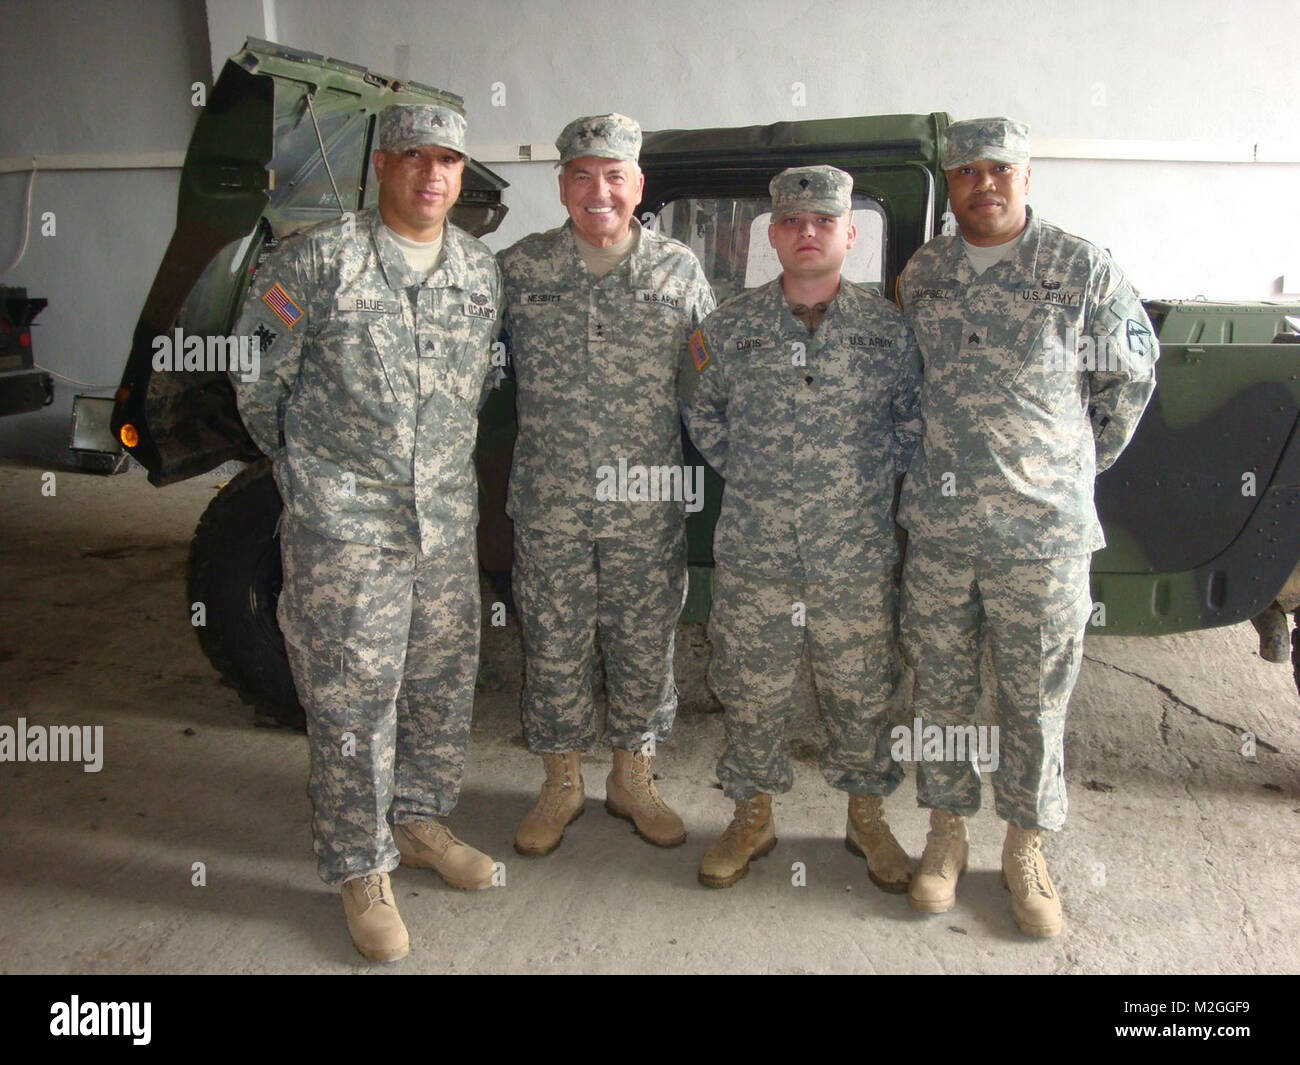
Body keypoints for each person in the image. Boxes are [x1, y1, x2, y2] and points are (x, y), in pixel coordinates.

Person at [231, 103, 502, 962]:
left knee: (438, 683)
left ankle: (420, 820)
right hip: (344, 533)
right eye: (413, 157)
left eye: (448, 160)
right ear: (380, 165)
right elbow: (256, 381)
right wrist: (309, 474)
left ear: (462, 174)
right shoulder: (313, 262)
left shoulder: (477, 271)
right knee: (353, 701)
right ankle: (359, 862)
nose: (432, 175)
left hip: (445, 527)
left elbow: (471, 394)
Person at [896, 117, 1158, 936]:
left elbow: (1128, 380)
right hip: (940, 532)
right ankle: (944, 837)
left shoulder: (1079, 267)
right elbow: (910, 388)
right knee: (939, 692)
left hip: (1042, 539)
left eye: (999, 169)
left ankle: (1025, 848)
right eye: (967, 171)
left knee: (1035, 700)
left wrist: (1068, 469)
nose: (985, 184)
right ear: (951, 181)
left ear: (1027, 175)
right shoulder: (926, 271)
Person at [682, 165, 923, 889]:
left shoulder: (889, 332)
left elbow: (911, 426)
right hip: (756, 552)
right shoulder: (727, 329)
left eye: (823, 221)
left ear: (851, 234)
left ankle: (867, 818)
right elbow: (703, 417)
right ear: (772, 235)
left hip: (853, 553)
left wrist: (855, 488)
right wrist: (765, 482)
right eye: (792, 221)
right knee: (750, 686)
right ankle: (751, 816)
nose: (807, 233)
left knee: (863, 688)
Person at [497, 113, 715, 856]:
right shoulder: (520, 269)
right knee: (552, 641)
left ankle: (633, 776)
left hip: (646, 507)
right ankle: (561, 782)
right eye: (583, 176)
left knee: (644, 642)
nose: (600, 192)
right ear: (561, 186)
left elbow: (710, 384)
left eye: (614, 176)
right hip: (550, 502)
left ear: (638, 185)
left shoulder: (678, 272)